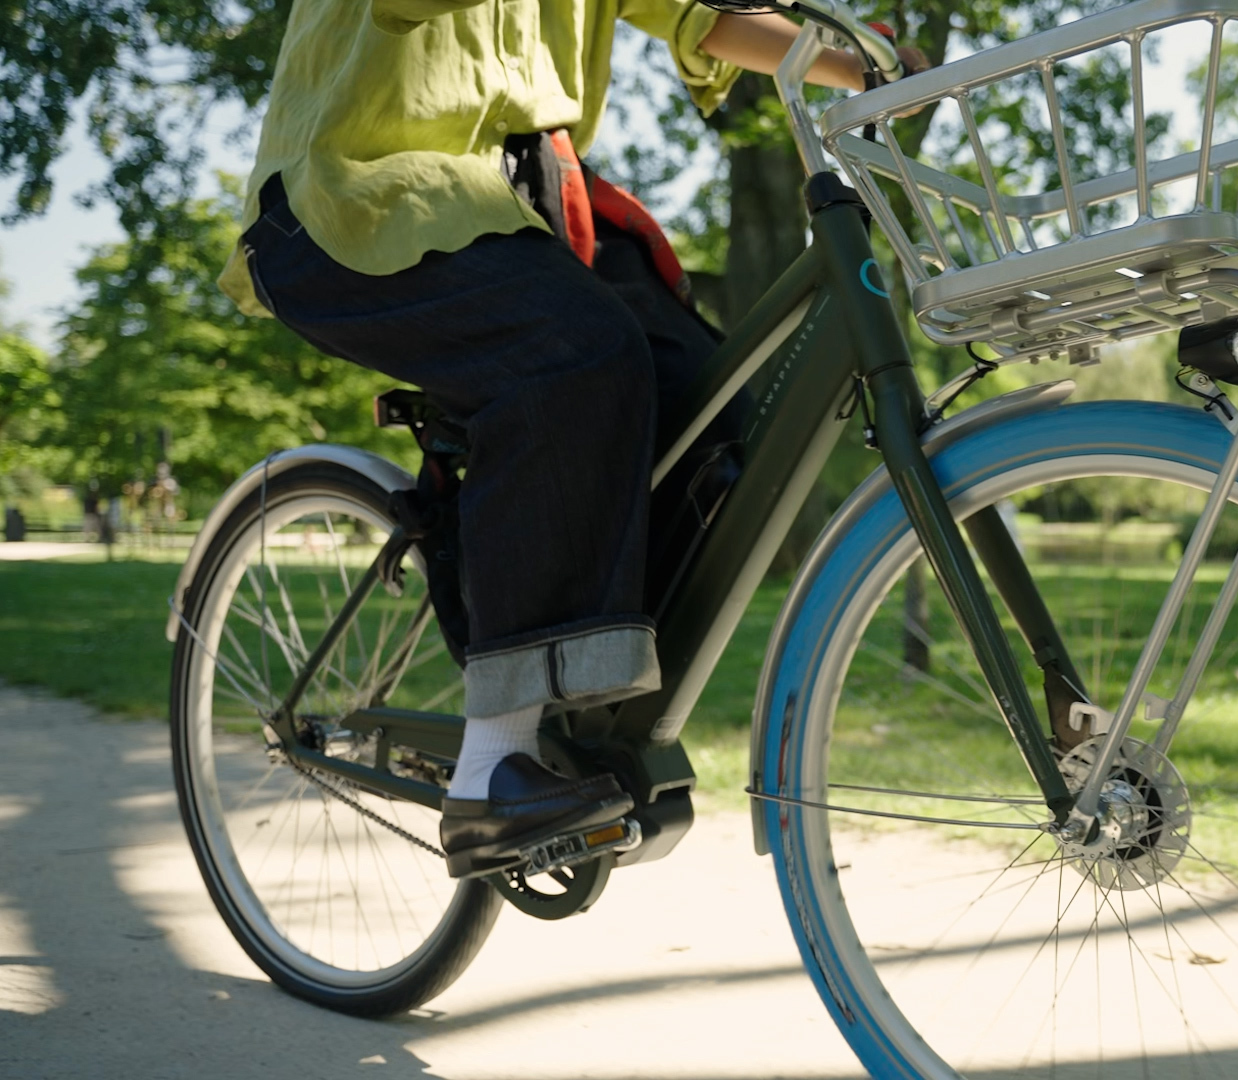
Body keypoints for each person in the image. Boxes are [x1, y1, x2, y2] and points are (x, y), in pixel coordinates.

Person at [219, 0, 916, 878]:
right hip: (357, 193)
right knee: (572, 353)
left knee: (722, 411)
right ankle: (493, 766)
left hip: (531, 204)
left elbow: (705, 15)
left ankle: (589, 711)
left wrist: (871, 63)